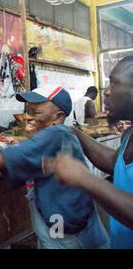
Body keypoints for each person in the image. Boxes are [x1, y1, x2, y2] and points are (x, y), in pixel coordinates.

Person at [0, 85, 109, 249]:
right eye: (28, 110)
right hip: (63, 234)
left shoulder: (56, 135)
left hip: (71, 239)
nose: (28, 117)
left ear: (58, 117)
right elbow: (0, 169)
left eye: (36, 111)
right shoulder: (49, 141)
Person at [47, 55, 133, 249]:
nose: (107, 92)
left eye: (115, 84)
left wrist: (84, 178)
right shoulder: (129, 135)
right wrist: (74, 133)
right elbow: (114, 161)